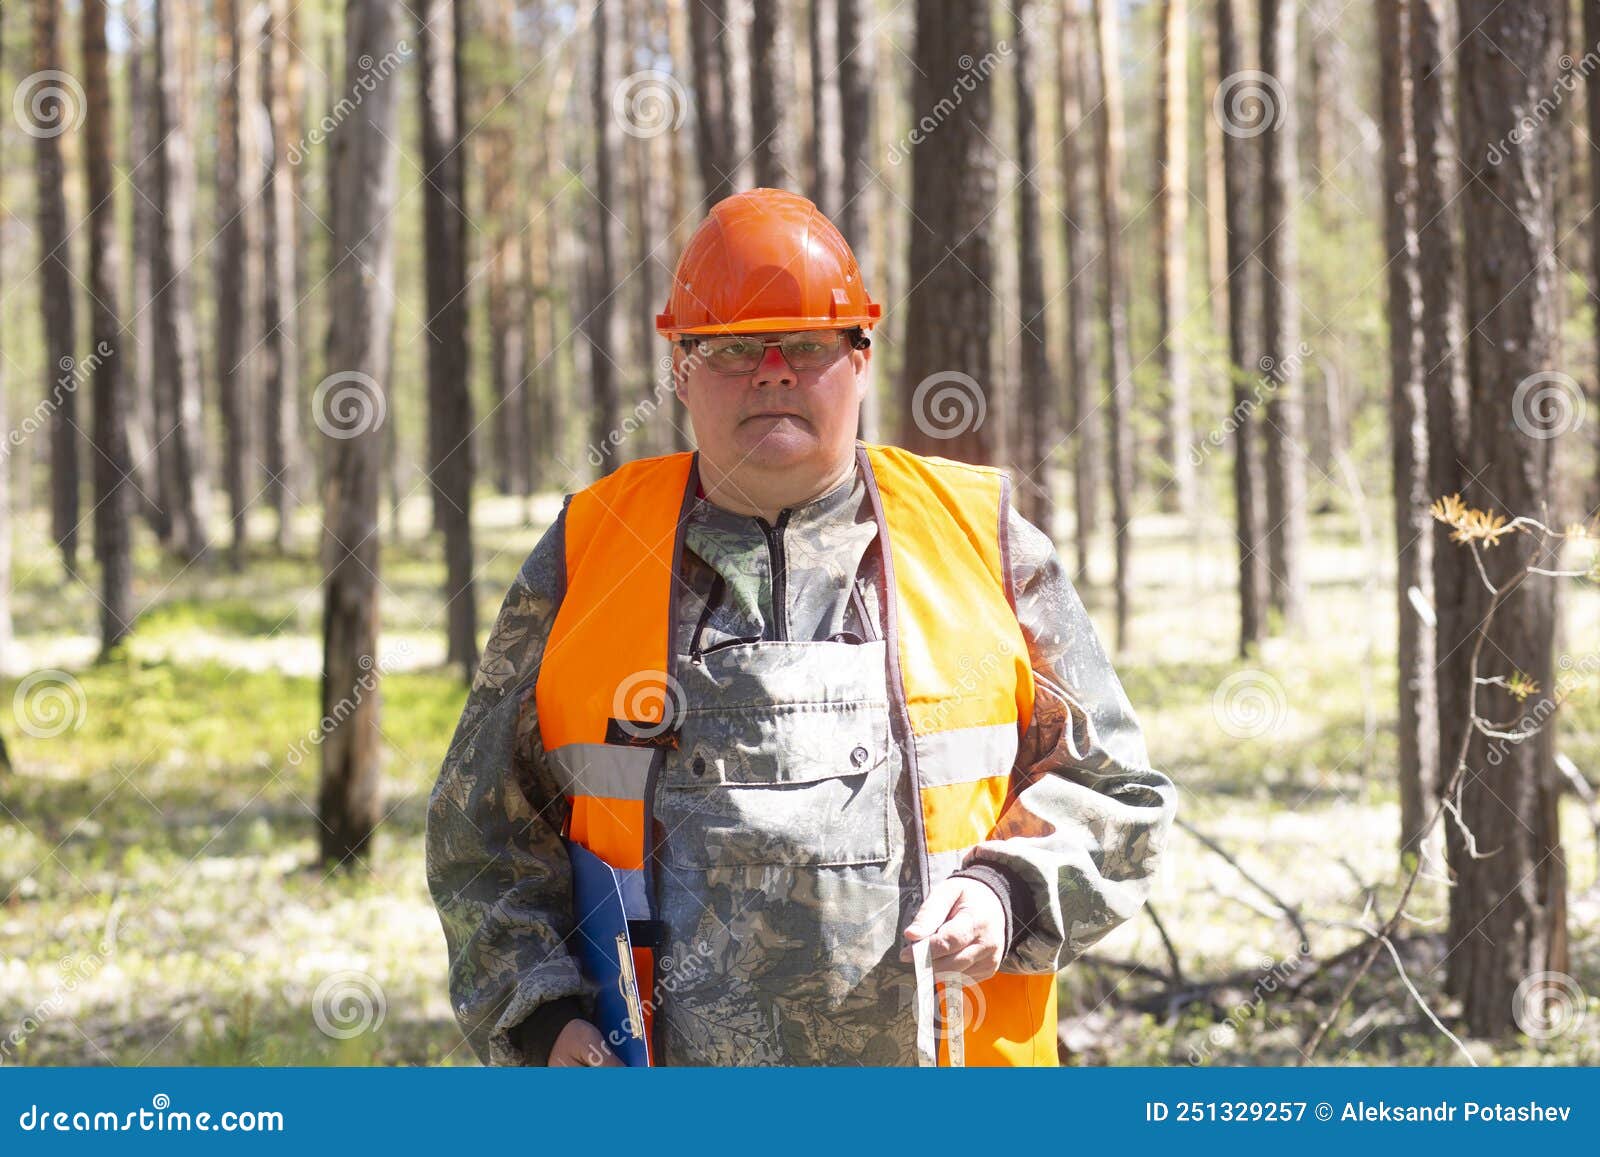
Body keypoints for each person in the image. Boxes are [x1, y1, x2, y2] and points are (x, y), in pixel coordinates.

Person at [425, 187, 1176, 1067]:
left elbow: (1118, 792)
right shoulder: (591, 550)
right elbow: (480, 836)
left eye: (810, 344)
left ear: (860, 360)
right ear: (680, 369)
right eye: (735, 348)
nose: (773, 370)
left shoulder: (982, 537)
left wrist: (1007, 895)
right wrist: (545, 1020)